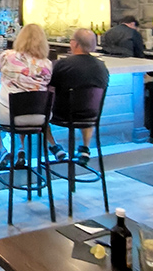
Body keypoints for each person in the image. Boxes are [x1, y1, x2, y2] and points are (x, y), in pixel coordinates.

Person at [0, 23, 53, 170]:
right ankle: (20, 149)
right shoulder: (47, 64)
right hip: (40, 117)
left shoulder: (7, 56)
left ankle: (2, 149)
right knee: (17, 115)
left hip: (9, 116)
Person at [46, 27, 109, 166]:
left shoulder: (62, 64)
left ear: (75, 44)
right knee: (87, 104)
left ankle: (55, 147)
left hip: (63, 115)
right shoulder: (102, 66)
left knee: (40, 113)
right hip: (91, 116)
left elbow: (48, 85)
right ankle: (85, 148)